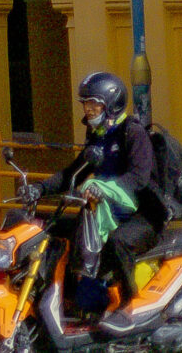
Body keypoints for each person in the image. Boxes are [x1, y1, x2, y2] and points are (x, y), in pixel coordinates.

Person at [42, 71, 166, 298]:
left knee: (118, 242)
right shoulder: (98, 134)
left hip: (143, 214)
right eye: (85, 103)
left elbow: (139, 178)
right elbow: (74, 172)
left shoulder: (133, 132)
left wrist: (104, 189)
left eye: (94, 103)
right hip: (109, 212)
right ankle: (70, 298)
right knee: (53, 228)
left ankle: (130, 304)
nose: (88, 109)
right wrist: (39, 189)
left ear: (111, 104)